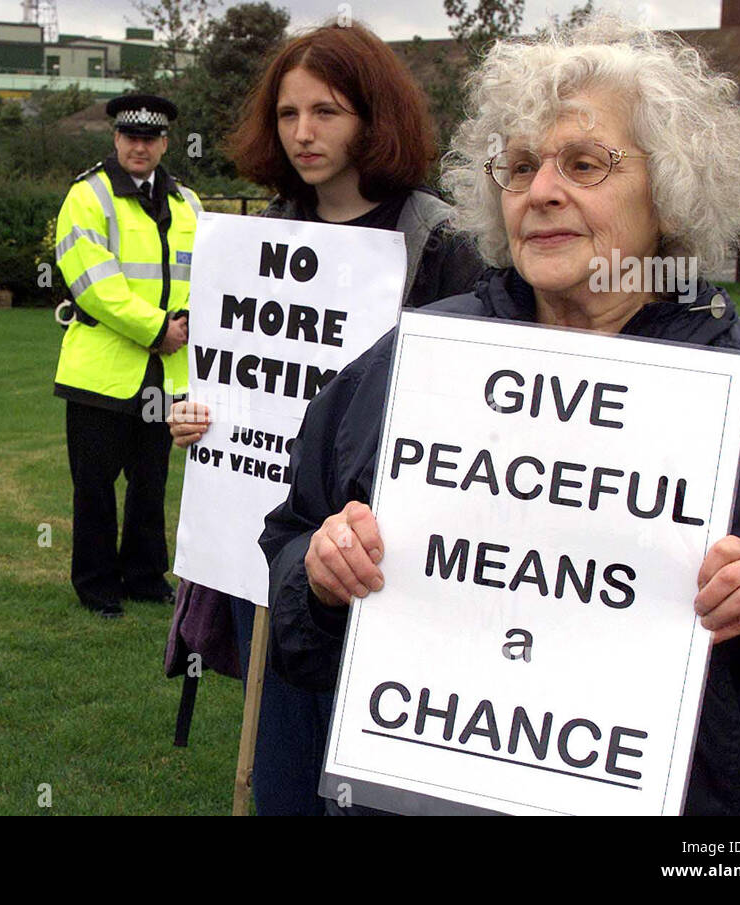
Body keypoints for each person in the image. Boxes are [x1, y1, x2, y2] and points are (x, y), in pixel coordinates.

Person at [260, 13, 740, 816]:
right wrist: (318, 575)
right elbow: (294, 540)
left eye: (585, 163)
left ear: (671, 187)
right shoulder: (410, 367)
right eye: (522, 165)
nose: (541, 192)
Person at [166, 21, 486, 814]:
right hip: (271, 547)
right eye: (287, 114)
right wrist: (202, 416)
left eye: (328, 111)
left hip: (389, 556)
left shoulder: (441, 243)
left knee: (371, 778)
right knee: (278, 772)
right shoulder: (259, 237)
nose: (303, 133)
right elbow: (237, 376)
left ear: (374, 117)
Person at [53, 94, 204, 618]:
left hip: (164, 370)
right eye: (130, 137)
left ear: (164, 144)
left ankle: (144, 576)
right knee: (94, 486)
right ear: (116, 139)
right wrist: (159, 327)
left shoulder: (187, 203)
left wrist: (185, 324)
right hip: (100, 370)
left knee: (150, 481)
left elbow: (204, 273)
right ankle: (97, 586)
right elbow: (93, 284)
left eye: (150, 138)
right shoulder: (87, 196)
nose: (139, 147)